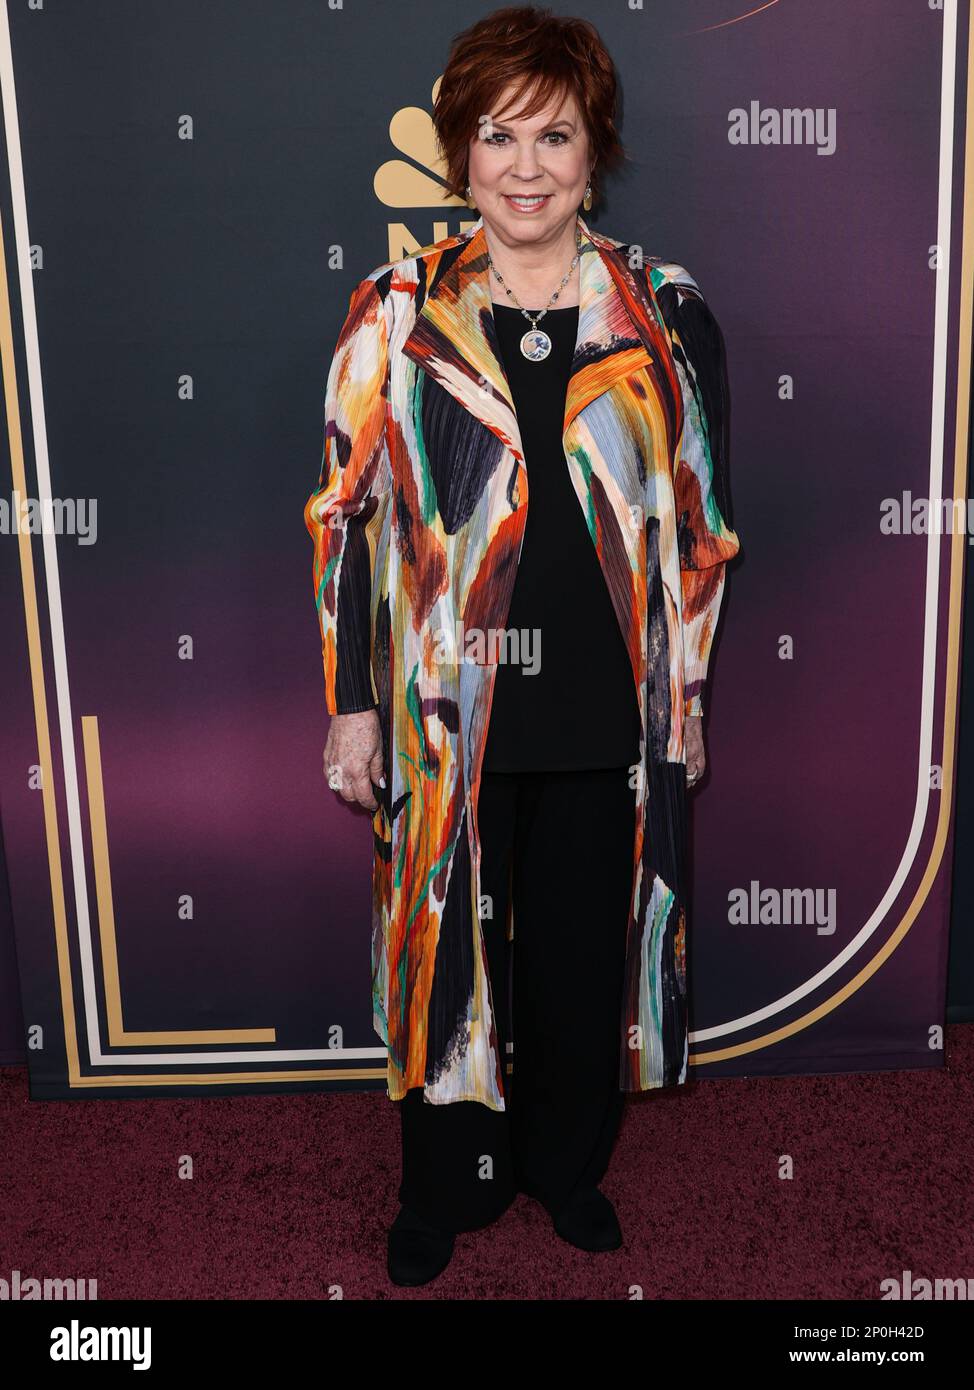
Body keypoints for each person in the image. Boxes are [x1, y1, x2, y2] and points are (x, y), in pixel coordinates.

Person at [303, 4, 742, 1287]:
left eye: (553, 135)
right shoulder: (395, 311)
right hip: (448, 708)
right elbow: (344, 519)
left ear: (594, 153)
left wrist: (684, 694)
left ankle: (563, 1165)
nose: (525, 166)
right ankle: (444, 1185)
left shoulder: (664, 314)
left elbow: (700, 532)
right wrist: (353, 702)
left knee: (576, 954)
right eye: (497, 136)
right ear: (461, 156)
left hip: (605, 707)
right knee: (445, 951)